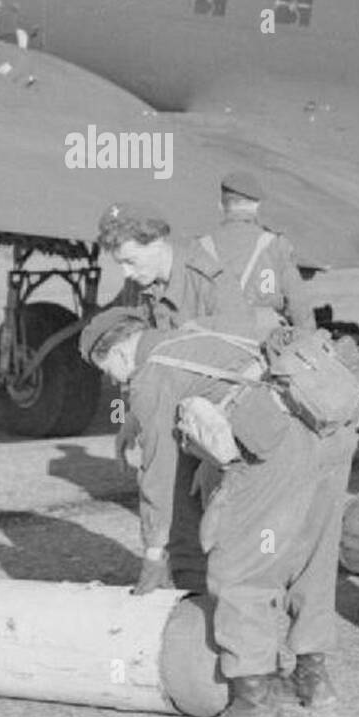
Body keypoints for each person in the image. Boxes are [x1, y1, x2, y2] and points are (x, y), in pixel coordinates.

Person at [79, 307, 345, 717]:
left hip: (274, 449)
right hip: (327, 435)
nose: (111, 380)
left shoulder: (150, 375)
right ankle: (314, 680)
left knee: (238, 571)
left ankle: (254, 704)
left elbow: (159, 476)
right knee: (309, 559)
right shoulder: (189, 338)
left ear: (119, 350)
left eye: (104, 366)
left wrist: (153, 552)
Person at [96, 202, 256, 594]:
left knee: (222, 519)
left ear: (157, 242)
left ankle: (232, 606)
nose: (127, 273)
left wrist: (212, 439)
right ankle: (188, 592)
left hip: (229, 417)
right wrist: (132, 418)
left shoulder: (208, 278)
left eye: (131, 261)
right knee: (177, 497)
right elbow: (135, 353)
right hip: (181, 409)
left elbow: (246, 356)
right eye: (122, 265)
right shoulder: (144, 285)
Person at [199, 170, 316, 333]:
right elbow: (298, 304)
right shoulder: (275, 245)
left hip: (213, 339)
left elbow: (186, 309)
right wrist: (309, 338)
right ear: (257, 206)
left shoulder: (201, 247)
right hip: (262, 339)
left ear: (220, 206)